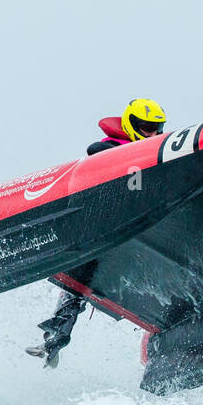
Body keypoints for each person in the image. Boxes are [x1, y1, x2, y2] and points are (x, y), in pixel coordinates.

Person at [25, 98, 167, 368]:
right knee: (75, 286)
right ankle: (55, 338)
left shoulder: (158, 153)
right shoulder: (111, 149)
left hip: (135, 240)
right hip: (98, 235)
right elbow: (96, 150)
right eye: (146, 127)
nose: (152, 134)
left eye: (156, 128)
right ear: (131, 124)